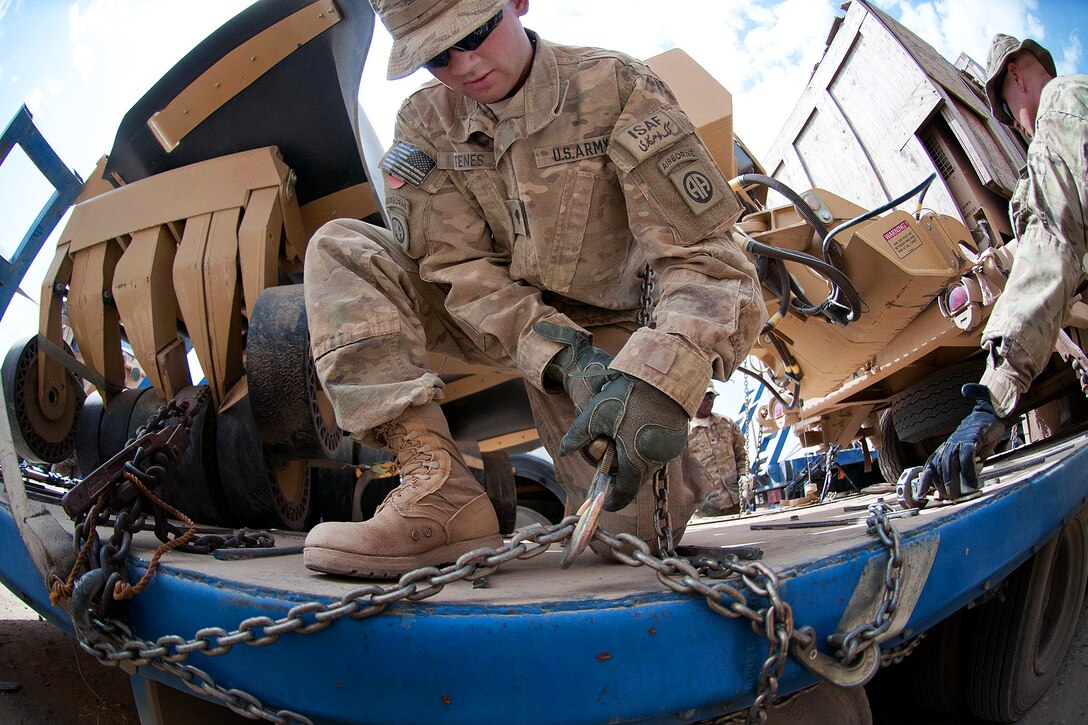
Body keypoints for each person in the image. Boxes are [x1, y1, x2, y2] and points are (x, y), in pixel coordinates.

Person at [302, 0, 765, 578]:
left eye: (475, 33)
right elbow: (458, 269)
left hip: (612, 331)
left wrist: (661, 380)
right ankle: (437, 488)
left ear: (517, 3)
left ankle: (674, 467)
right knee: (344, 246)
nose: (465, 65)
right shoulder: (424, 124)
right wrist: (559, 354)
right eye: (435, 56)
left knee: (628, 545)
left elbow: (707, 260)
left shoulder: (616, 86)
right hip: (491, 319)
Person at [921, 34, 1087, 499]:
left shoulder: (1058, 106)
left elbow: (1053, 241)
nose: (1017, 124)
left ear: (1015, 73)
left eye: (1010, 111)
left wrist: (992, 396)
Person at [689, 387, 749, 516]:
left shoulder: (727, 424)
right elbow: (678, 472)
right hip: (705, 510)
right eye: (705, 397)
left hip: (735, 503)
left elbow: (741, 456)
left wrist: (744, 477)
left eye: (711, 397)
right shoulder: (684, 431)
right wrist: (695, 501)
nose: (709, 401)